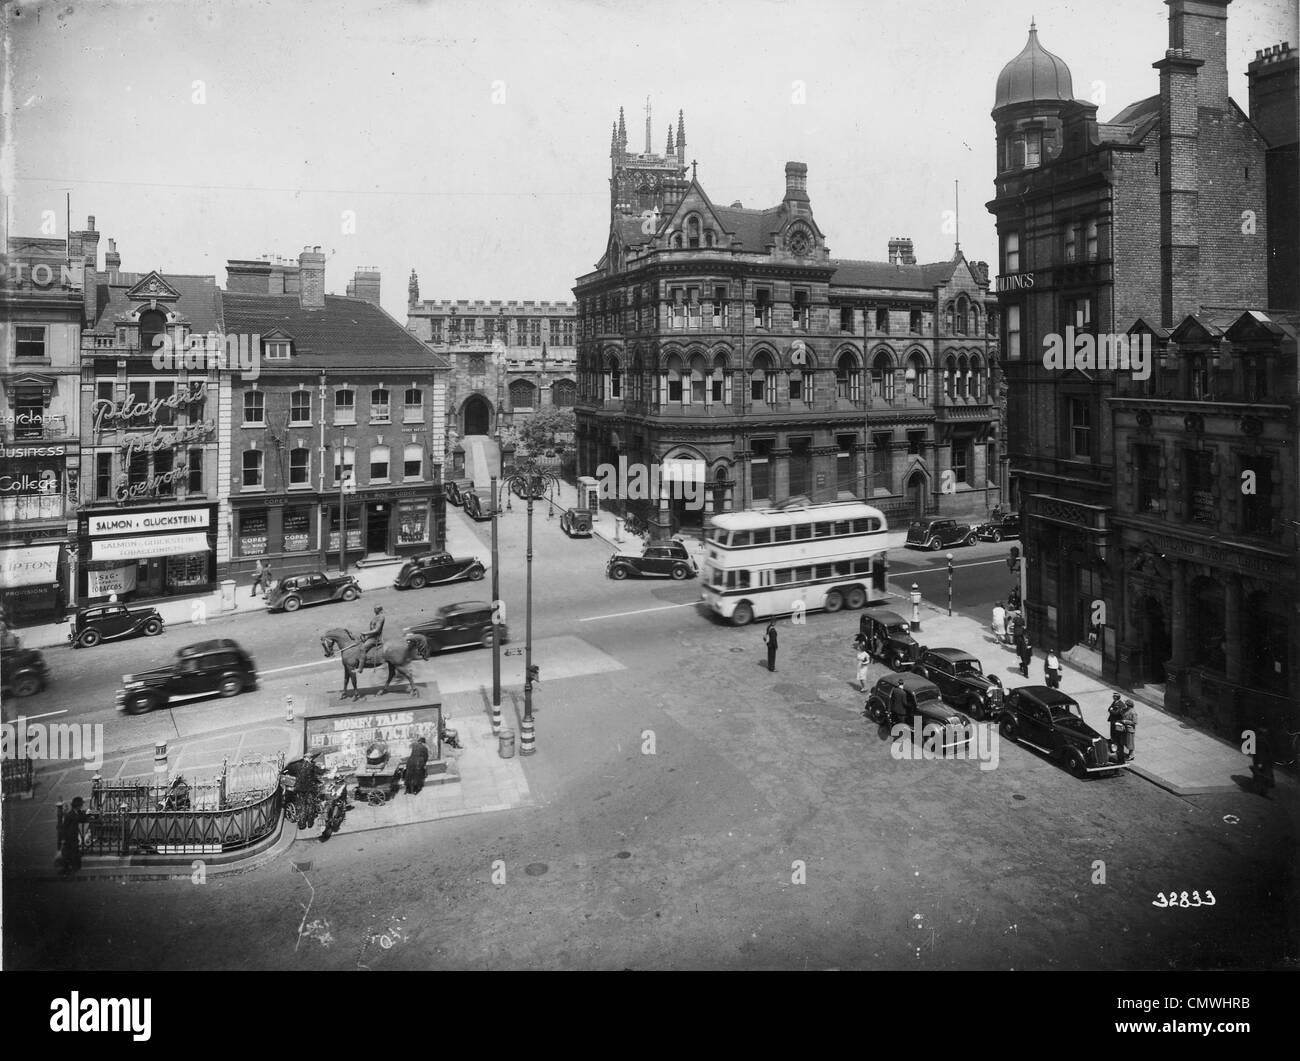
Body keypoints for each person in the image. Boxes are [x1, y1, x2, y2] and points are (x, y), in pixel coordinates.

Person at [58, 796, 88, 875]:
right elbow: (64, 827)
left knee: (73, 852)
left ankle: (73, 867)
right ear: (78, 806)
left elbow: (82, 818)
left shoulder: (75, 812)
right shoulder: (71, 815)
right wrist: (64, 838)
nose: (82, 806)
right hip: (69, 837)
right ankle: (67, 869)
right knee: (68, 853)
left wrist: (86, 813)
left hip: (73, 837)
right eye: (81, 805)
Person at [1251, 724, 1276, 797]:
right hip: (1263, 762)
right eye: (1265, 731)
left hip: (1263, 761)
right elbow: (1260, 753)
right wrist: (1260, 762)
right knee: (1264, 776)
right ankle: (1263, 792)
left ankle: (1260, 790)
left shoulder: (1261, 739)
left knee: (1261, 775)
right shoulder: (1260, 741)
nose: (1267, 732)